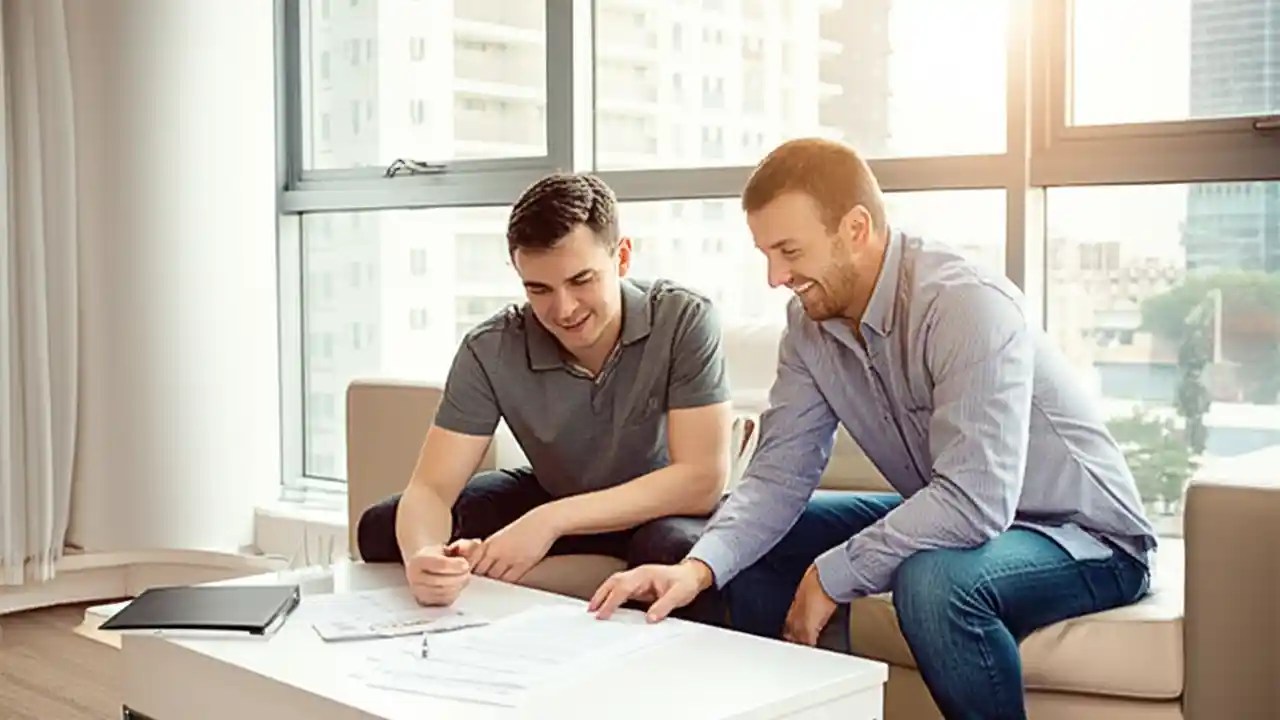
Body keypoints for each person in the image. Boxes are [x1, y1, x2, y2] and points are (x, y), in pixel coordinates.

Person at [588, 138, 1158, 720]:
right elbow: (779, 474)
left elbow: (976, 500)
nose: (775, 276)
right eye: (765, 253)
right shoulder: (808, 325)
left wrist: (831, 576)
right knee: (740, 546)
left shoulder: (965, 306)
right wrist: (697, 569)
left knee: (933, 582)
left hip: (1084, 536)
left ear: (856, 228)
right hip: (957, 509)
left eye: (788, 250)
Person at [356, 172, 734, 613]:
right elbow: (432, 489)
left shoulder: (684, 318)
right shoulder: (491, 347)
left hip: (659, 509)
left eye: (581, 280)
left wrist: (549, 522)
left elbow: (701, 481)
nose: (564, 309)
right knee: (383, 527)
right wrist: (424, 557)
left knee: (668, 553)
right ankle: (539, 577)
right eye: (539, 289)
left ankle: (540, 575)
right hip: (555, 492)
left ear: (623, 257)